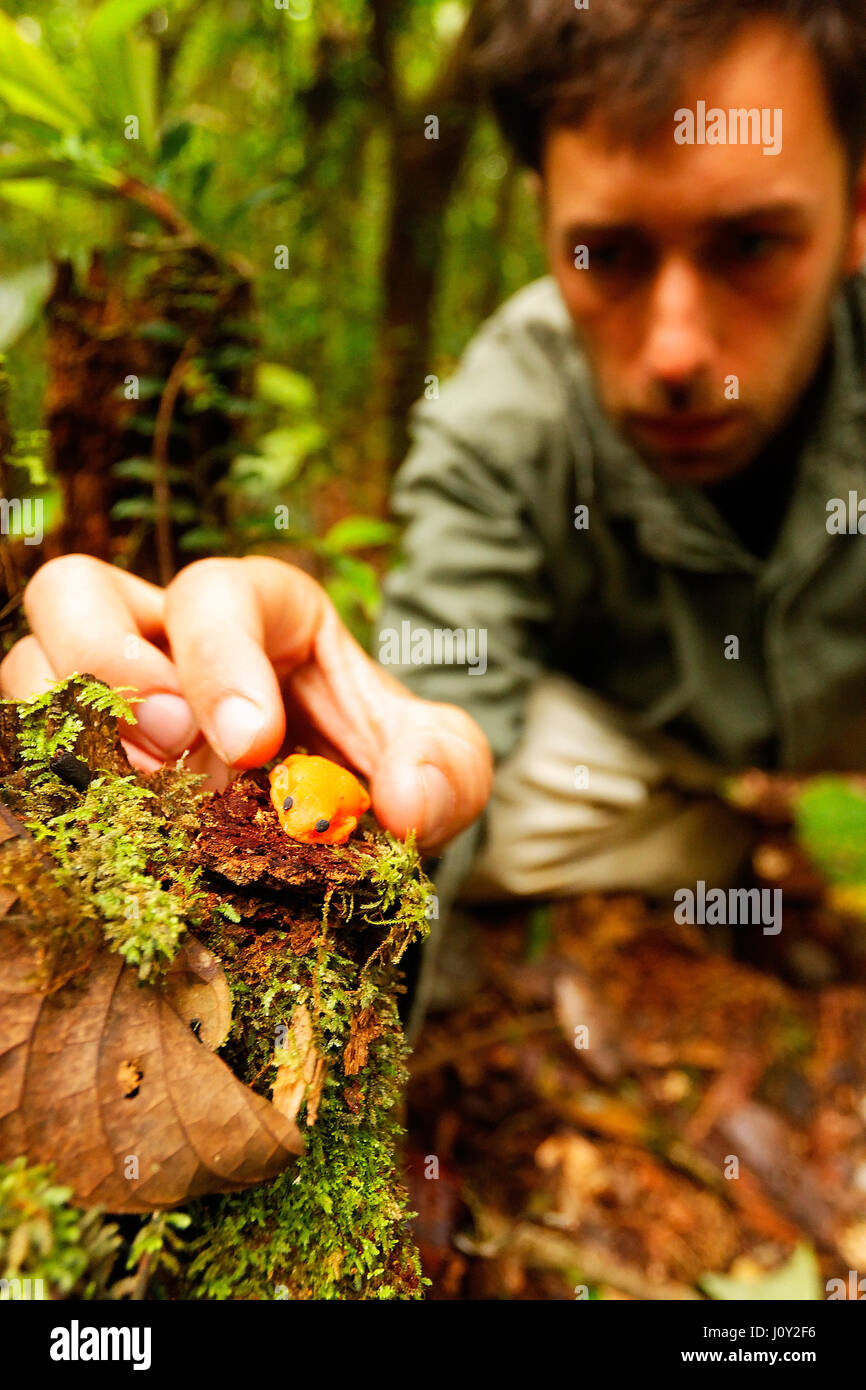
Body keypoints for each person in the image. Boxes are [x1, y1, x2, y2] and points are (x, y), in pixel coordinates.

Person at [4, 1, 866, 1008]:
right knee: (496, 774)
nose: (674, 347)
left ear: (853, 211)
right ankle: (715, 850)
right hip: (637, 763)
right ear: (546, 220)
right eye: (610, 254)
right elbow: (438, 712)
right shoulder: (501, 419)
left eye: (751, 245)